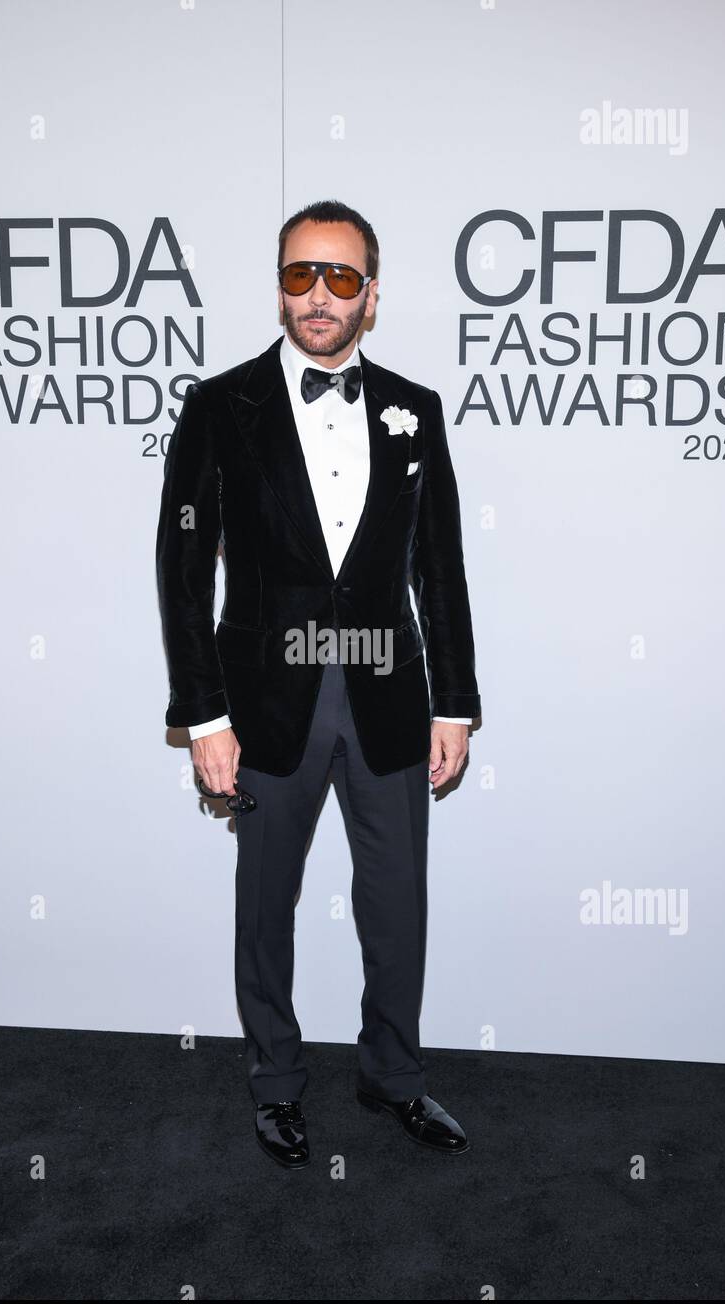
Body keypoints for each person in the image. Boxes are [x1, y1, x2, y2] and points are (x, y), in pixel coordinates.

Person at [156, 199, 481, 1168]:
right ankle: (275, 1083)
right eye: (301, 274)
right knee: (265, 902)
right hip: (263, 699)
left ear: (370, 296)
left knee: (395, 901)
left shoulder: (414, 407)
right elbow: (180, 570)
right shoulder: (219, 405)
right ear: (279, 285)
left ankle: (393, 1075)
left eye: (340, 277)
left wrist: (453, 700)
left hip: (388, 691)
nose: (318, 295)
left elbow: (439, 564)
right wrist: (202, 712)